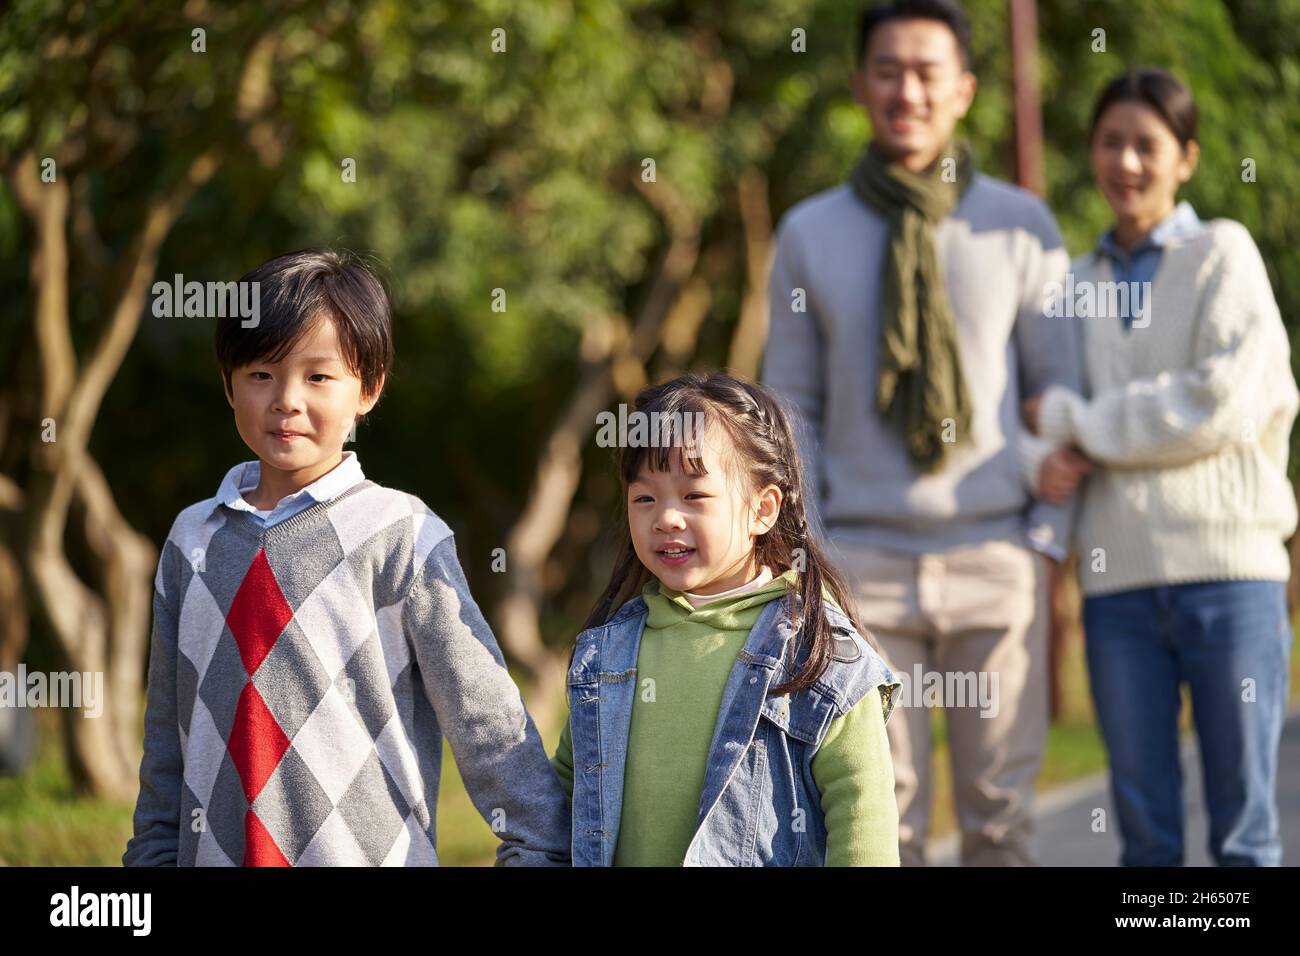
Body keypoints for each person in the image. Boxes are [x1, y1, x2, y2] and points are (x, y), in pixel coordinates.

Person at [762, 0, 1084, 865]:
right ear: (862, 84)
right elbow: (789, 411)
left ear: (966, 90)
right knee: (878, 823)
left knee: (1002, 821)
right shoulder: (808, 232)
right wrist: (811, 565)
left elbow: (1064, 399)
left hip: (996, 558)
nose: (908, 90)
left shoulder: (1019, 227)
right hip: (861, 568)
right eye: (889, 70)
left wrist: (1043, 547)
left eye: (928, 72)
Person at [123, 249, 570, 866]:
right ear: (228, 383)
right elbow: (167, 742)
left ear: (370, 388)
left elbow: (486, 720)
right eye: (261, 374)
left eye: (318, 376)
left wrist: (540, 849)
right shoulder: (190, 540)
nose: (286, 399)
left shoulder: (400, 532)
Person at [1023, 67, 1298, 867]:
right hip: (1117, 593)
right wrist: (1050, 451)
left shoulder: (1224, 254)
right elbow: (1040, 412)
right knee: (1145, 838)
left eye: (1148, 145)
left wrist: (1081, 423)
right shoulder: (1071, 286)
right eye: (1111, 143)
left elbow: (1221, 405)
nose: (1127, 163)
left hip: (1232, 580)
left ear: (1187, 157)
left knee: (1246, 829)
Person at [552, 372, 901, 865]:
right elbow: (564, 798)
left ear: (763, 509)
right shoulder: (607, 652)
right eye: (644, 498)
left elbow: (864, 819)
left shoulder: (819, 657)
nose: (666, 517)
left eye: (694, 496)